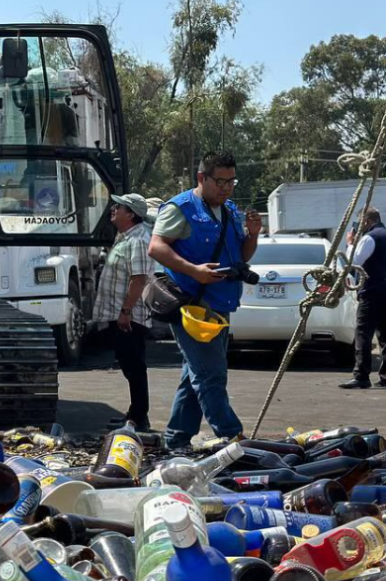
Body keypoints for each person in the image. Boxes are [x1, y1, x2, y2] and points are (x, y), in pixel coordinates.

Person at [148, 152, 263, 449]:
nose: (226, 188)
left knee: (195, 374)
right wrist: (193, 271)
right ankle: (232, 436)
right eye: (220, 182)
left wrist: (253, 235)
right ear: (202, 178)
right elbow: (156, 248)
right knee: (211, 375)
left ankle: (176, 439)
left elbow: (242, 256)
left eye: (231, 182)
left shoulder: (229, 211)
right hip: (192, 308)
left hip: (221, 306)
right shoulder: (180, 207)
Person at [92, 193, 155, 430]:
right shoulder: (125, 236)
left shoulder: (138, 239)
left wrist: (126, 311)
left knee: (134, 366)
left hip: (130, 316)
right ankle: (135, 414)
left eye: (118, 207)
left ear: (130, 214)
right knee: (129, 364)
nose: (113, 210)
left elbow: (138, 279)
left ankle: (139, 417)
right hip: (121, 314)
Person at [340, 207, 386, 389]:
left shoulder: (370, 238)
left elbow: (353, 264)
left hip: (374, 290)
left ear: (365, 221)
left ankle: (361, 376)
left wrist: (350, 243)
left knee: (363, 333)